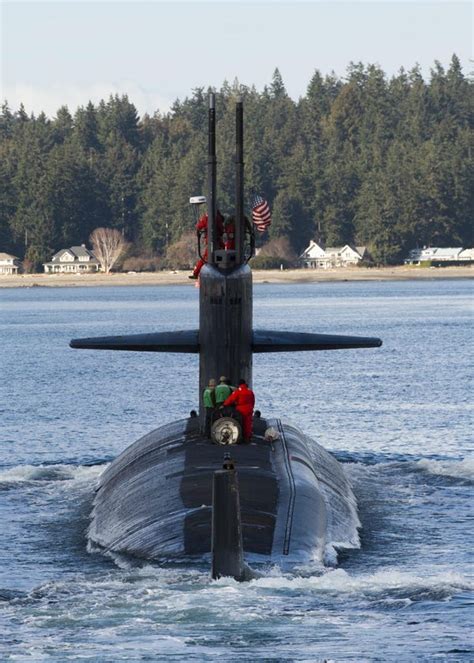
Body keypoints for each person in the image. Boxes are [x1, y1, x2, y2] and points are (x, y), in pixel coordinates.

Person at [190, 210, 224, 279]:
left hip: (211, 241)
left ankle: (196, 273)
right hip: (215, 240)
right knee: (210, 256)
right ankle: (197, 273)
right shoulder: (217, 218)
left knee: (206, 257)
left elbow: (199, 226)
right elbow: (221, 230)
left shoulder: (206, 218)